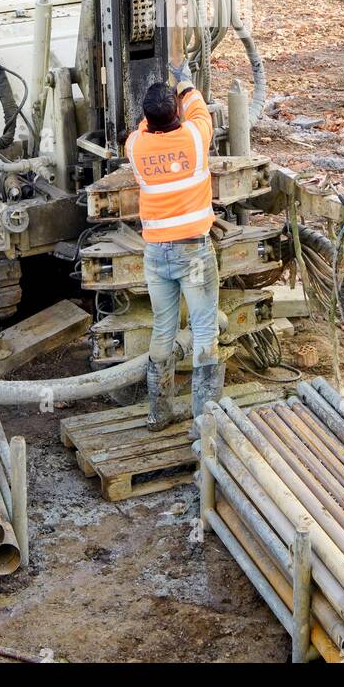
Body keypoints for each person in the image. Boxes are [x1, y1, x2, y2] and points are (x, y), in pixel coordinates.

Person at [125, 60, 223, 430]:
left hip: (157, 255)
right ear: (177, 114)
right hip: (193, 252)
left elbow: (142, 130)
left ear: (147, 121)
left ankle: (158, 413)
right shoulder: (196, 138)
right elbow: (198, 107)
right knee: (203, 328)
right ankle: (205, 419)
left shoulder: (136, 146)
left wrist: (153, 119)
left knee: (163, 329)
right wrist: (183, 81)